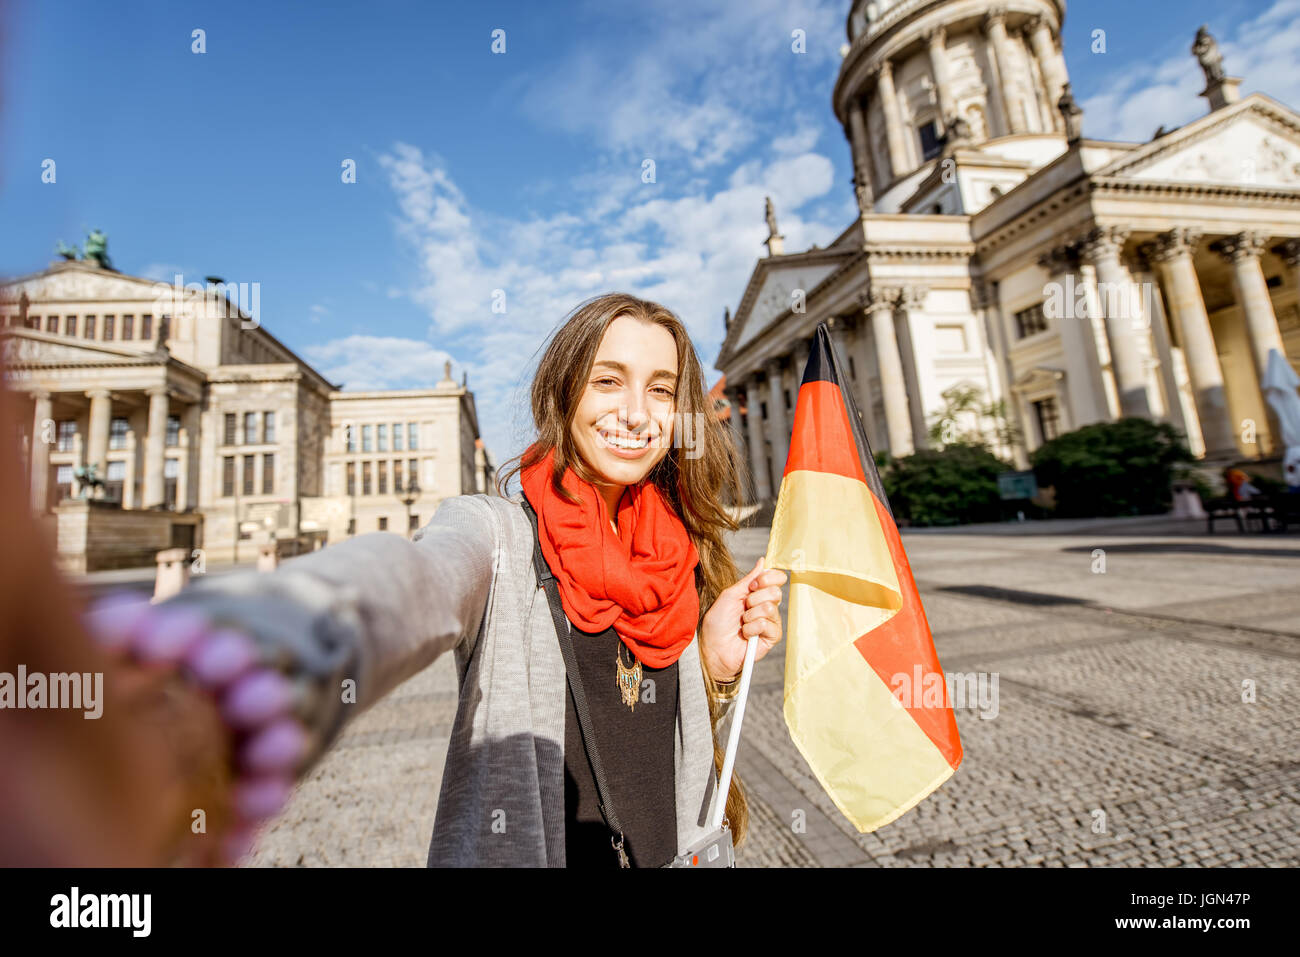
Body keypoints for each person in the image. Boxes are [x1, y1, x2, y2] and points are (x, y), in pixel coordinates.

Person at [80, 292, 788, 867]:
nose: (636, 412)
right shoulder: (496, 534)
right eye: (608, 381)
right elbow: (412, 581)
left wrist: (713, 666)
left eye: (660, 390)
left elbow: (639, 741)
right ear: (564, 393)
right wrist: (248, 647)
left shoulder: (677, 550)